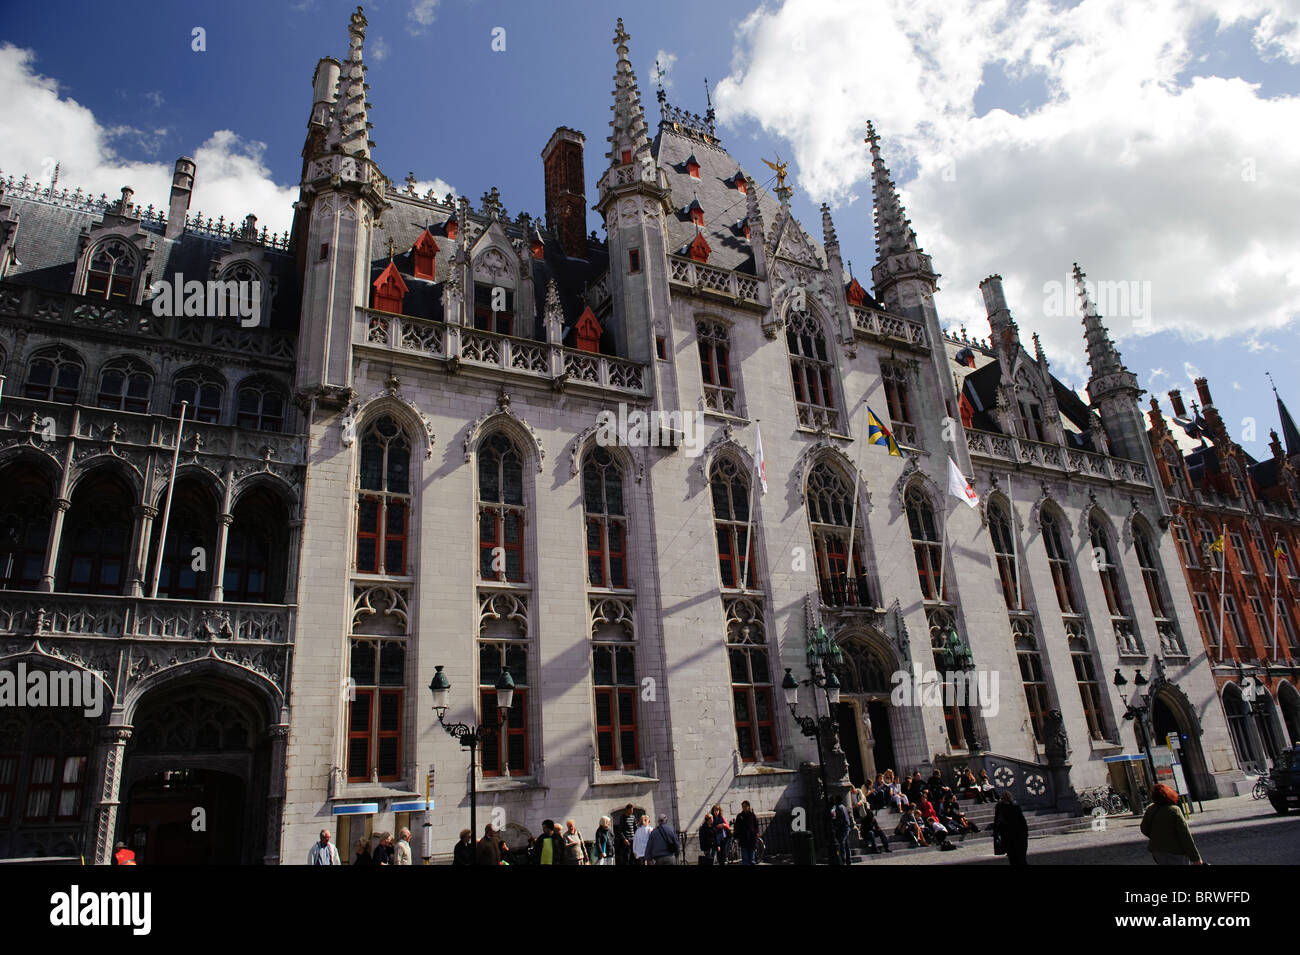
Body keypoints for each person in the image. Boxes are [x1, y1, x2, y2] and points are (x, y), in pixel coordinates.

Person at [1141, 783, 1203, 865]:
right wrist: (1196, 858)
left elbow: (1144, 828)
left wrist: (1157, 836)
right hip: (1175, 851)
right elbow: (1185, 835)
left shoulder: (1150, 809)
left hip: (1157, 850)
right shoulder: (1174, 810)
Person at [992, 791, 1029, 865]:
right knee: (1021, 859)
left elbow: (997, 824)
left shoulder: (1000, 809)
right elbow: (1023, 822)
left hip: (1007, 837)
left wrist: (996, 835)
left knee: (1013, 859)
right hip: (1020, 836)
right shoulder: (1015, 807)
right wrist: (1026, 834)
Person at [734, 800, 760, 865]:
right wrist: (737, 835)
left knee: (752, 859)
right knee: (745, 859)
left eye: (745, 806)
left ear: (748, 807)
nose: (744, 808)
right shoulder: (739, 816)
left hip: (751, 839)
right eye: (743, 806)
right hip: (743, 839)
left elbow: (756, 825)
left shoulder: (752, 815)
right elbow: (736, 827)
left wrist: (756, 833)